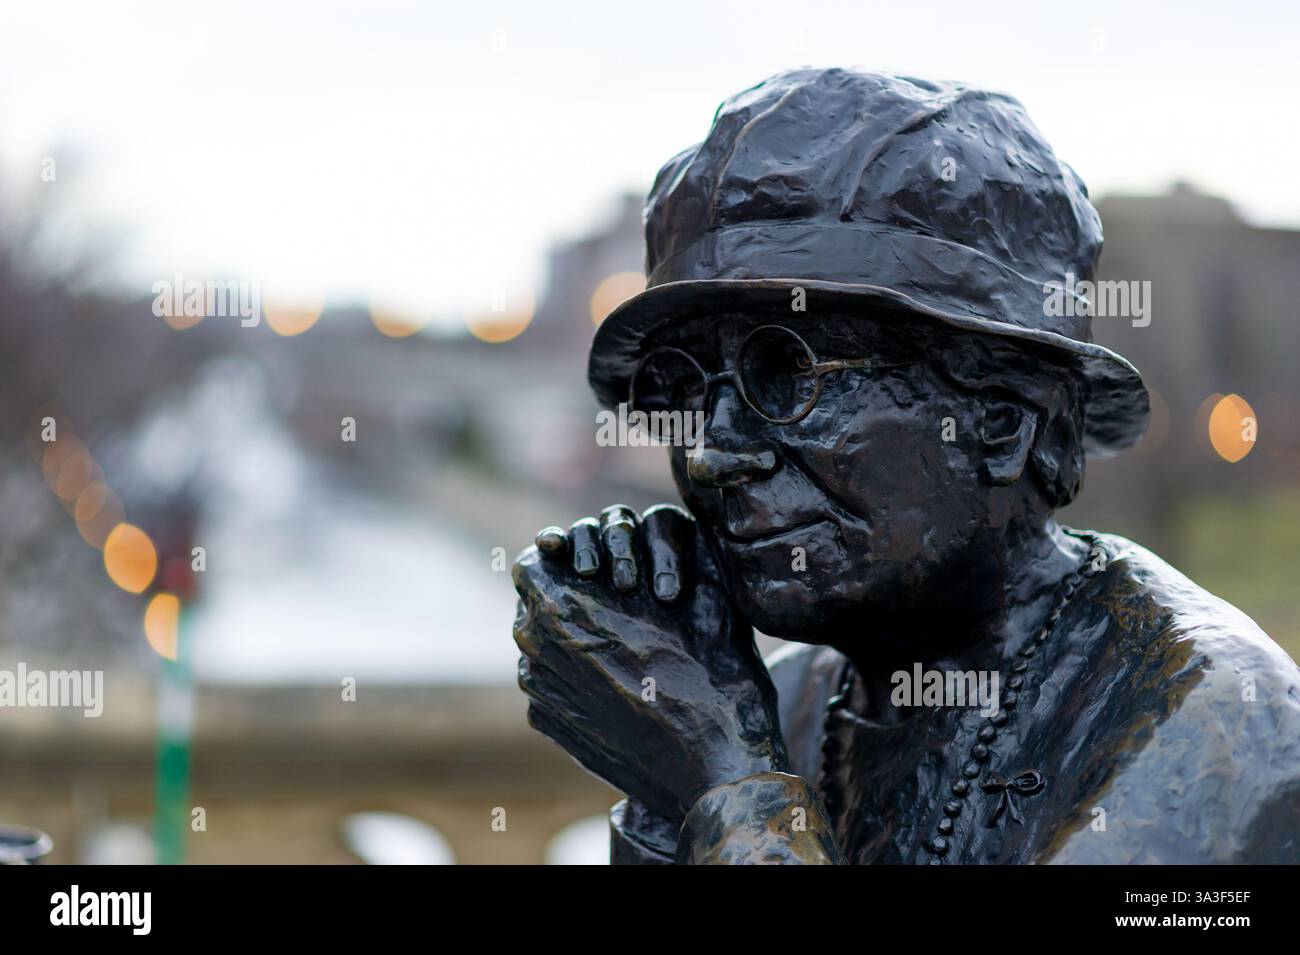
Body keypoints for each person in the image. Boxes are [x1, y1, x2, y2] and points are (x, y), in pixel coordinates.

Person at [511, 68, 1300, 864]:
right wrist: (664, 793)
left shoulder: (1206, 723)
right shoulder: (785, 697)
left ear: (1001, 417)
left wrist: (724, 784)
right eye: (684, 388)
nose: (713, 451)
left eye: (784, 375)